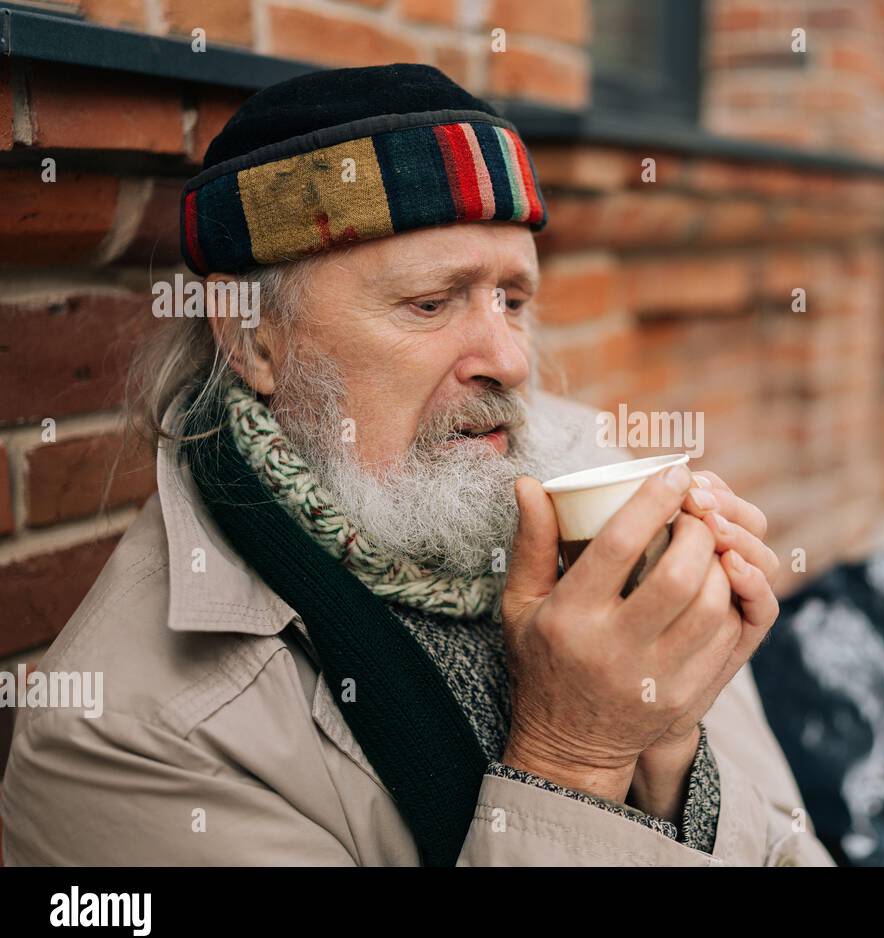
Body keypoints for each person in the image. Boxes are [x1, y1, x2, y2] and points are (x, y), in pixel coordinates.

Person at [0, 64, 834, 866]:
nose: (507, 359)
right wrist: (574, 755)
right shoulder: (130, 737)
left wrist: (669, 732)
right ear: (252, 338)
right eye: (430, 304)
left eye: (513, 299)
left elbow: (789, 846)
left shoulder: (591, 474)